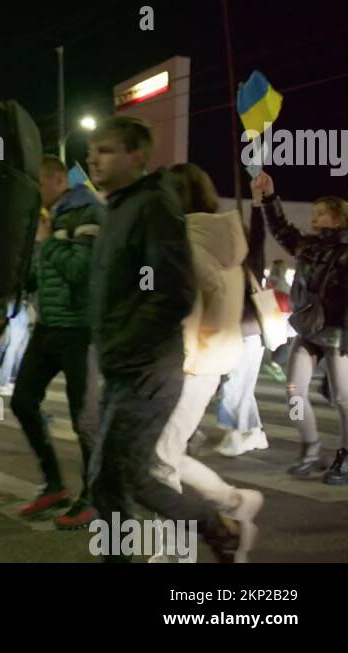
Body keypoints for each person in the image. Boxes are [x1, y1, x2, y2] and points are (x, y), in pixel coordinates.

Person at [87, 116, 247, 562]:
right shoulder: (121, 206)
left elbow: (170, 292)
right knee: (116, 479)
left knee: (127, 477)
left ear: (137, 156)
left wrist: (126, 345)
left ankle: (217, 526)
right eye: (91, 150)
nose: (93, 158)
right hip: (126, 365)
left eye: (106, 150)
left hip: (146, 368)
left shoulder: (152, 207)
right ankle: (215, 529)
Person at [149, 163, 265, 562]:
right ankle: (234, 502)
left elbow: (187, 312)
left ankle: (176, 552)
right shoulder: (221, 239)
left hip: (187, 364)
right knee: (166, 453)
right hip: (208, 361)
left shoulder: (188, 244)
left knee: (159, 461)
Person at [11, 155, 103, 529]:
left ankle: (95, 497)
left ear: (57, 180)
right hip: (48, 326)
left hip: (80, 329)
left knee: (84, 418)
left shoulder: (88, 212)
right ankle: (54, 485)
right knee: (21, 401)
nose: (34, 195)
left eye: (38, 186)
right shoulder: (48, 219)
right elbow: (39, 277)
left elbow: (81, 271)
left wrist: (47, 242)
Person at [258, 171, 348, 484]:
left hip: (338, 333)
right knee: (294, 393)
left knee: (342, 399)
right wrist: (269, 198)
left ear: (337, 217)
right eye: (313, 212)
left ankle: (346, 457)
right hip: (308, 329)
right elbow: (281, 230)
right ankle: (312, 450)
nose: (314, 217)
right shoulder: (308, 246)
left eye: (321, 212)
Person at [213, 173, 270, 457]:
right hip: (231, 335)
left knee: (235, 386)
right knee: (238, 385)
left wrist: (257, 203)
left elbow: (259, 234)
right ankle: (254, 432)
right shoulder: (222, 266)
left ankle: (239, 433)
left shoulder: (251, 262)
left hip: (248, 335)